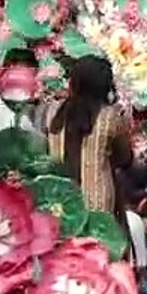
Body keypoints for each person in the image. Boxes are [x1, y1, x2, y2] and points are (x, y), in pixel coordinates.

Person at [45, 55, 132, 218]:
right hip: (97, 207)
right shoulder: (110, 117)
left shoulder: (53, 112)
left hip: (57, 201)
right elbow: (124, 159)